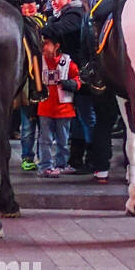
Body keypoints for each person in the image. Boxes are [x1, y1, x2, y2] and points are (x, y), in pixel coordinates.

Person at [36, 35, 80, 177]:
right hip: (45, 108)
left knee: (63, 140)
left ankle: (62, 164)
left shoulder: (67, 62)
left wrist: (72, 84)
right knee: (45, 140)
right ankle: (45, 166)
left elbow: (77, 79)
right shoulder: (38, 61)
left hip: (64, 109)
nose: (43, 46)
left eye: (46, 43)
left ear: (56, 46)